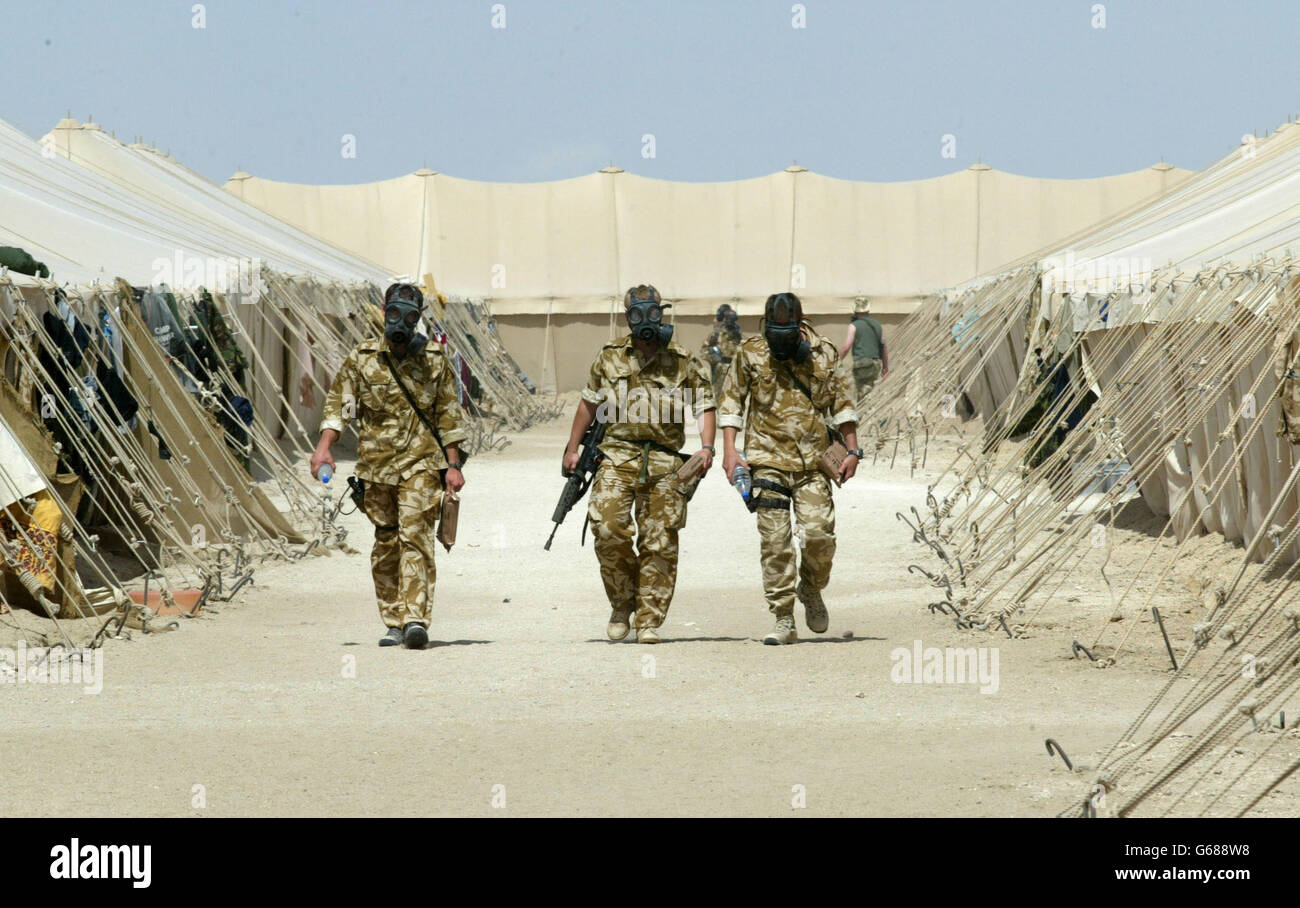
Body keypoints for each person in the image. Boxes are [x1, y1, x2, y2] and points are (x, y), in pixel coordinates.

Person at [312, 283, 466, 649]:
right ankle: (393, 620)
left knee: (416, 538)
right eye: (394, 313)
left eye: (409, 316)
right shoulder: (363, 358)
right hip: (376, 468)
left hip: (421, 464)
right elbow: (340, 406)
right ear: (384, 312)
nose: (400, 322)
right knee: (386, 542)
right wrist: (324, 446)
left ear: (418, 318)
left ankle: (415, 620)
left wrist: (453, 465)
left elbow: (448, 415)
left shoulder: (433, 359)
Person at [564, 284, 716, 643]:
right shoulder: (610, 356)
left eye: (652, 312)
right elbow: (589, 404)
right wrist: (572, 449)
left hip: (665, 461)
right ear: (627, 317)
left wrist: (707, 447)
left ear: (661, 313)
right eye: (636, 314)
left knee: (659, 540)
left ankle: (648, 619)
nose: (645, 320)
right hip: (617, 454)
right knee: (607, 529)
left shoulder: (682, 360)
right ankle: (622, 603)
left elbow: (704, 405)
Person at [720, 292, 862, 645]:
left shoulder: (823, 353)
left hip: (812, 462)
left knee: (818, 536)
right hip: (766, 459)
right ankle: (783, 617)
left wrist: (853, 449)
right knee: (775, 543)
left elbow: (843, 404)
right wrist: (730, 450)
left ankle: (810, 589)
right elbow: (731, 401)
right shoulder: (751, 352)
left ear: (800, 324)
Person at [839, 296, 887, 398]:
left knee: (861, 395)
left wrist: (837, 361)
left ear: (855, 310)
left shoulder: (853, 326)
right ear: (868, 309)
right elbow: (883, 347)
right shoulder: (878, 325)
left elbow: (846, 347)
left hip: (861, 364)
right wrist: (885, 367)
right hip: (875, 364)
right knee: (870, 391)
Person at [700, 304, 742, 400]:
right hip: (719, 371)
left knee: (733, 398)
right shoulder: (716, 334)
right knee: (718, 398)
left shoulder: (737, 334)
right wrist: (712, 359)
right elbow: (704, 349)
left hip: (734, 370)